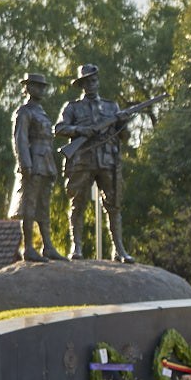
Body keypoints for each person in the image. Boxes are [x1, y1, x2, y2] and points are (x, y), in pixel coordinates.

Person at [55, 64, 134, 262]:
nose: (91, 85)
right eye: (86, 82)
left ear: (98, 82)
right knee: (78, 204)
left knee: (113, 205)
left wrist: (123, 122)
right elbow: (59, 128)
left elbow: (124, 136)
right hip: (82, 160)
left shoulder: (111, 107)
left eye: (93, 80)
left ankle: (119, 249)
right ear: (81, 85)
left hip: (107, 160)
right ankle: (77, 247)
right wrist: (80, 131)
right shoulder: (72, 107)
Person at [9, 72, 65, 262]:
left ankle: (48, 246)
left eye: (42, 87)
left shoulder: (41, 112)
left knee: (43, 205)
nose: (40, 90)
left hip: (46, 161)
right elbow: (20, 140)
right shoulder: (24, 112)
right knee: (29, 206)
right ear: (27, 88)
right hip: (33, 162)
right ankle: (29, 248)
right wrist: (25, 164)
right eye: (36, 86)